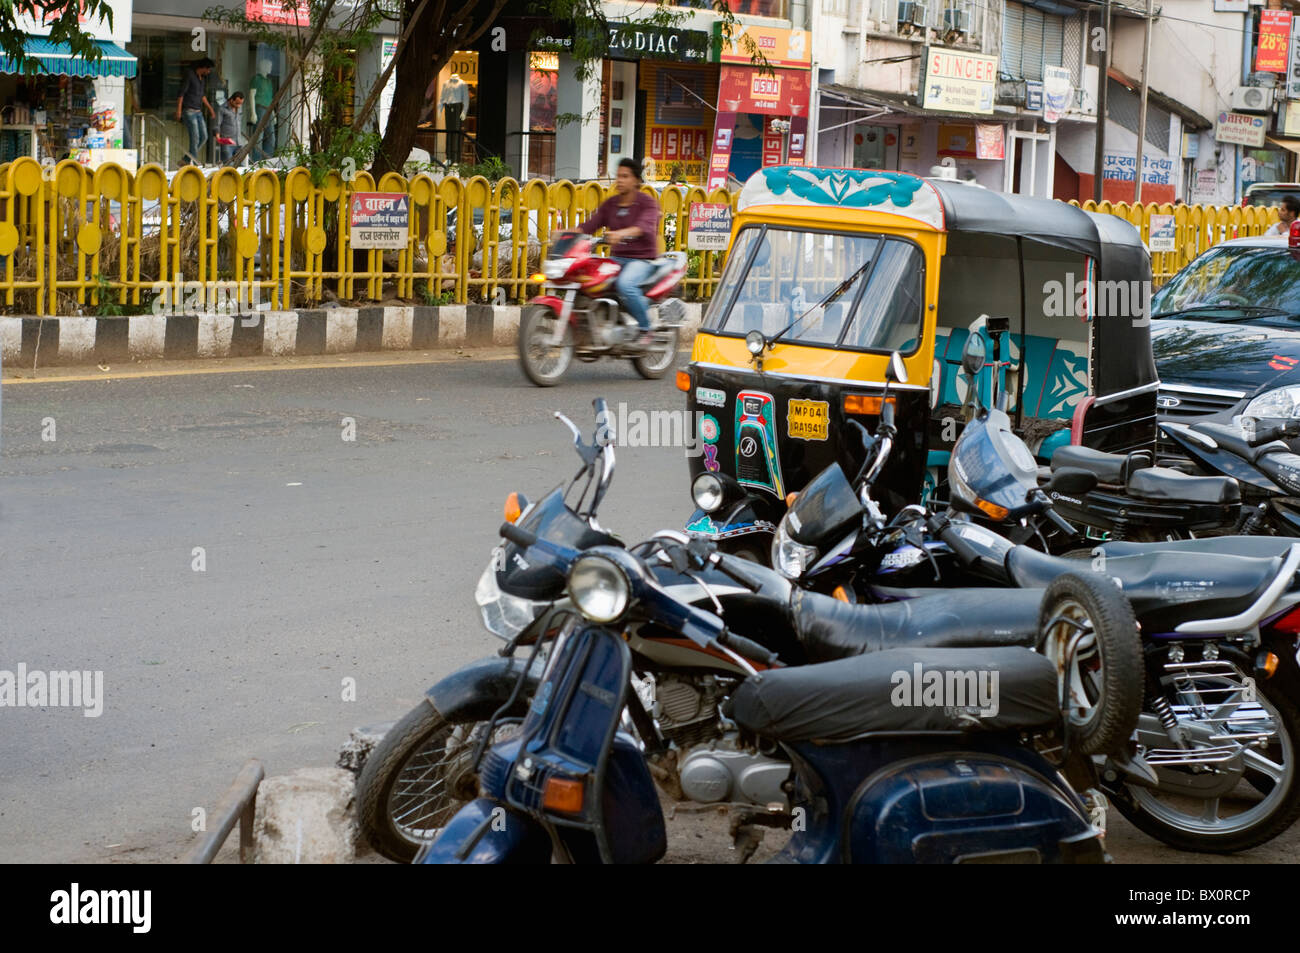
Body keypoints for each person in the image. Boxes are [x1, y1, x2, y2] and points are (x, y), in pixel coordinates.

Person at [578, 157, 662, 347]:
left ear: (636, 181)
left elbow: (644, 227)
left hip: (642, 260)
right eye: (618, 176)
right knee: (589, 281)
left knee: (626, 285)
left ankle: (646, 328)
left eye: (625, 176)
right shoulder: (611, 204)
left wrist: (621, 233)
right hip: (617, 258)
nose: (620, 180)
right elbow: (591, 225)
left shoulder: (647, 203)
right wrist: (568, 233)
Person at [175, 58, 215, 166]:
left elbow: (202, 96)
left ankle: (186, 159)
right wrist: (178, 110)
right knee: (195, 138)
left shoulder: (202, 79)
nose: (209, 72)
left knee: (204, 136)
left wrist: (210, 109)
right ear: (204, 67)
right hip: (189, 110)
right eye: (208, 69)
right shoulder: (190, 75)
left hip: (198, 111)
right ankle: (195, 162)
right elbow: (181, 93)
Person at [215, 92, 244, 165]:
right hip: (227, 142)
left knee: (241, 166)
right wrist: (218, 136)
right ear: (231, 100)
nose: (239, 106)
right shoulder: (222, 109)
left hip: (238, 142)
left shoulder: (239, 109)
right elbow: (217, 123)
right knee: (229, 165)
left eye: (241, 103)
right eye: (237, 103)